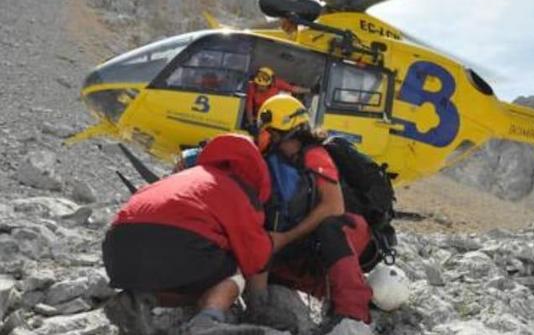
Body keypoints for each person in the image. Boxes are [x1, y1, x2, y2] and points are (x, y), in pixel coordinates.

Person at [102, 134, 275, 333]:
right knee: (234, 272)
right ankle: (207, 320)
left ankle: (137, 299)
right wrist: (259, 307)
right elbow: (257, 256)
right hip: (178, 245)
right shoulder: (237, 189)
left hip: (118, 250)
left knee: (189, 281)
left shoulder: (185, 177)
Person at [247, 94, 373, 334]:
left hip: (348, 232)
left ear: (283, 131)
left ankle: (354, 314)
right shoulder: (281, 161)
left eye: (269, 132)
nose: (265, 137)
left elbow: (334, 207)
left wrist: (285, 238)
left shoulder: (314, 155)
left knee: (329, 228)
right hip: (313, 238)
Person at [245, 66, 313, 130]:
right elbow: (249, 107)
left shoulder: (277, 83)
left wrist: (310, 90)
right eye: (257, 85)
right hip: (258, 117)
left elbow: (293, 89)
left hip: (275, 115)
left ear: (270, 84)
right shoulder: (252, 87)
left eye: (262, 86)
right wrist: (251, 124)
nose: (259, 87)